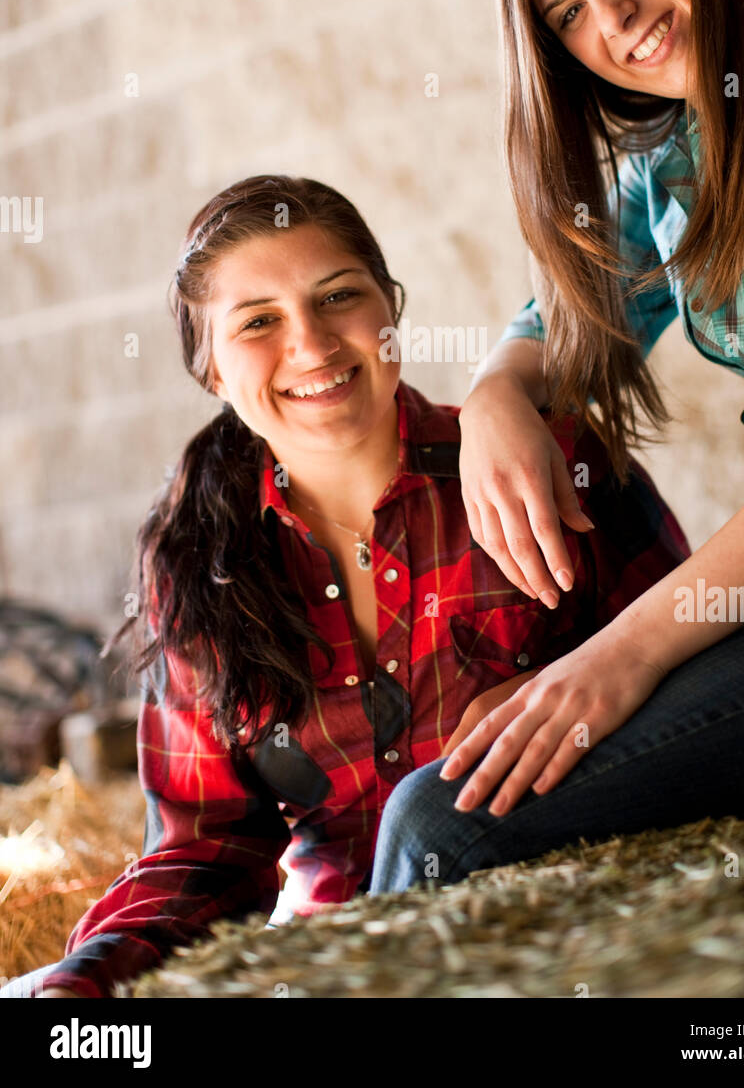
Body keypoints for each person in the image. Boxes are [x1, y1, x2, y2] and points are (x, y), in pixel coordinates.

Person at [2, 173, 689, 998]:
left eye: (339, 297)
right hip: (334, 969)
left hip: (557, 943)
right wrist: (79, 985)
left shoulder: (551, 460)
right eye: (258, 322)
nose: (314, 344)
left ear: (390, 309)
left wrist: (571, 699)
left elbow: (707, 698)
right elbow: (205, 849)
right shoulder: (193, 559)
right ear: (210, 369)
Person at [366, 0, 744, 899]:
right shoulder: (684, 141)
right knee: (444, 786)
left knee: (441, 827)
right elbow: (575, 311)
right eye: (568, 16)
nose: (613, 19)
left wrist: (622, 654)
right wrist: (498, 388)